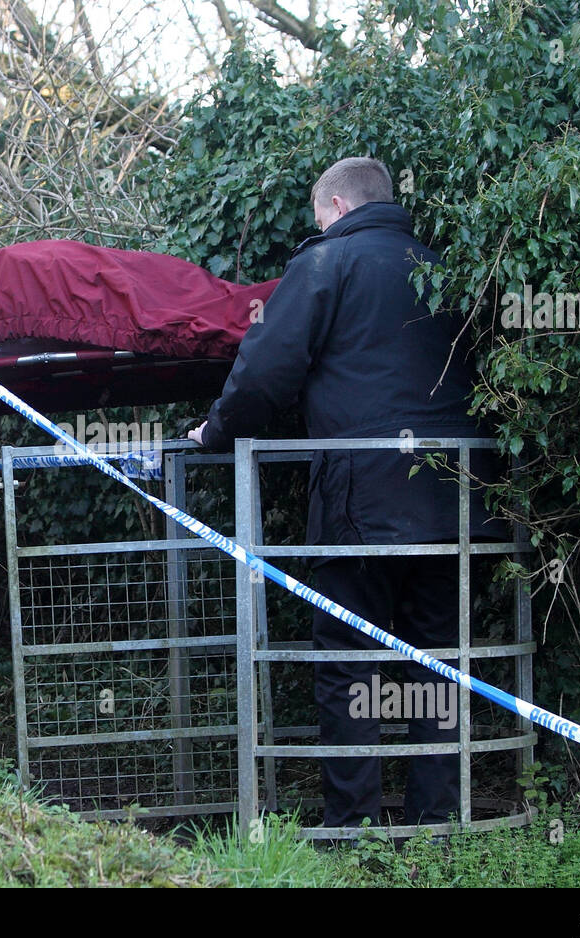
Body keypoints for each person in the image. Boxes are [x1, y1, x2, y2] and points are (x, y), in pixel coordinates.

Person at [188, 156, 507, 829]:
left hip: (359, 502)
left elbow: (266, 371)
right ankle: (437, 823)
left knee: (347, 663)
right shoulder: (443, 267)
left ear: (335, 205)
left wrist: (216, 430)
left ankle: (354, 825)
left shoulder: (326, 265)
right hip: (453, 499)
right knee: (438, 665)